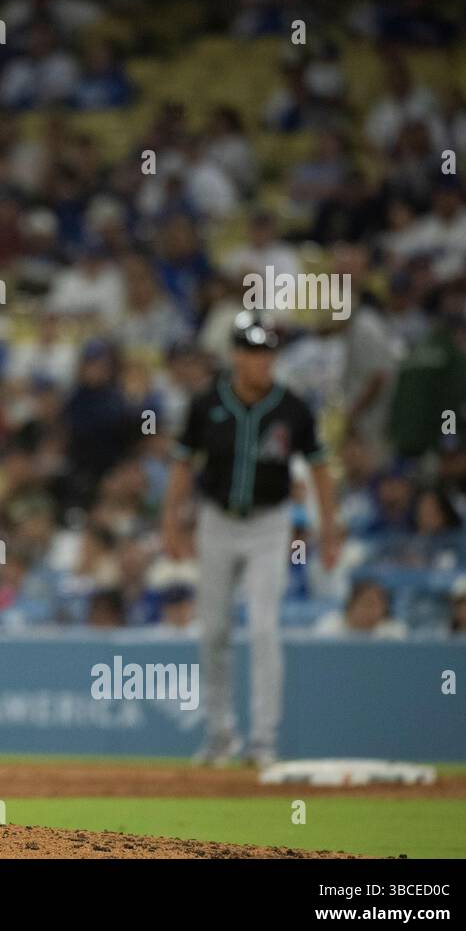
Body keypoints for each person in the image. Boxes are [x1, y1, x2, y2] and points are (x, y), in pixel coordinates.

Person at [160, 311, 339, 768]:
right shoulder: (207, 403)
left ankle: (263, 741)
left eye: (269, 352)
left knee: (263, 628)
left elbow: (319, 469)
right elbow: (182, 465)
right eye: (256, 351)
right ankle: (220, 736)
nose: (264, 360)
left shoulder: (292, 408)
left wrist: (330, 529)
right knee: (214, 631)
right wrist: (171, 524)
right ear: (237, 355)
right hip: (216, 520)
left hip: (268, 523)